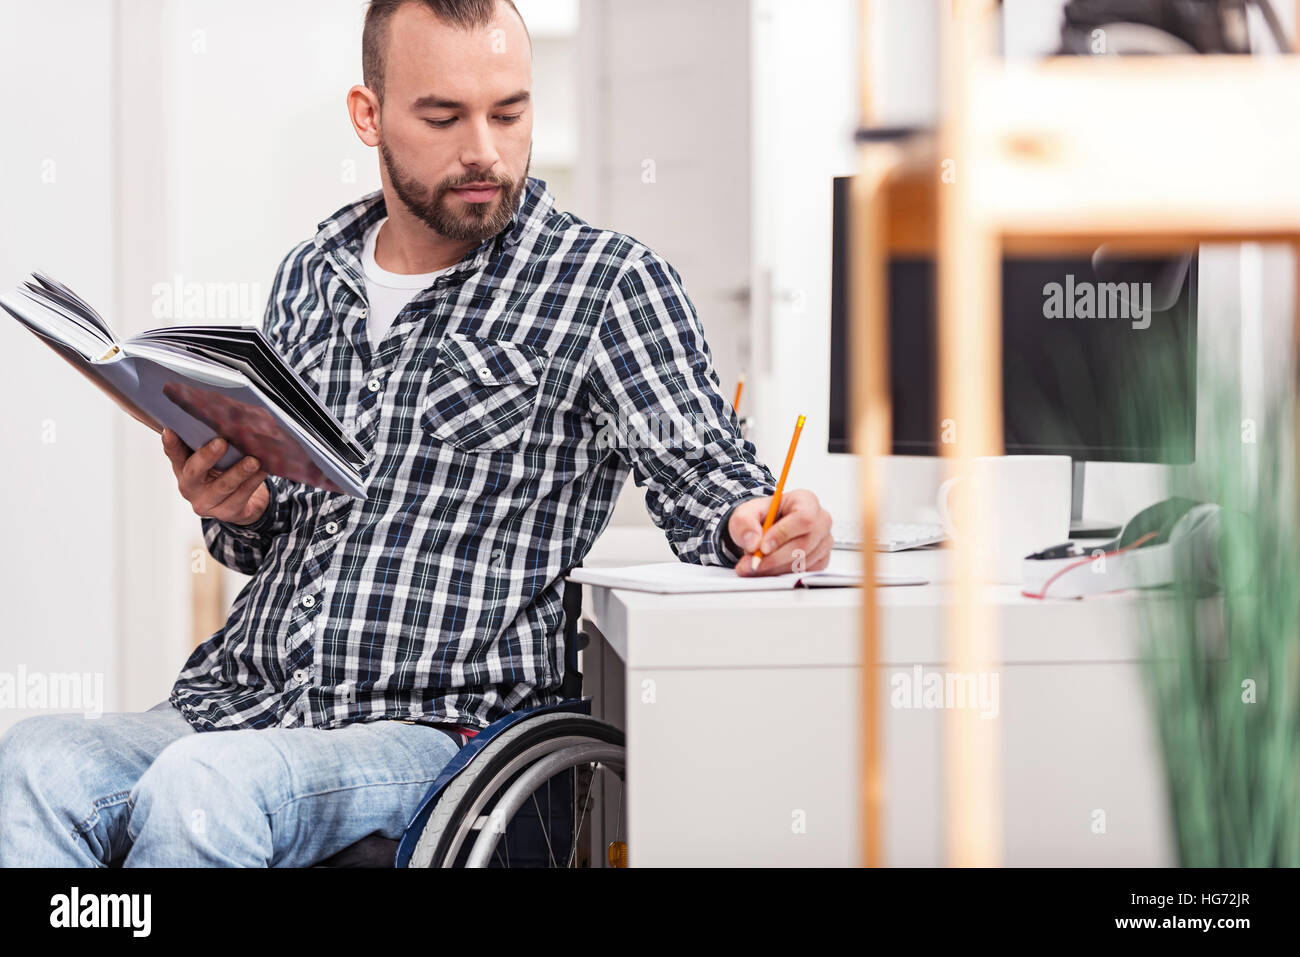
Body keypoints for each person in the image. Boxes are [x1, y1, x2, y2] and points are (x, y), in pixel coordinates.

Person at [0, 0, 833, 867]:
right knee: (35, 757)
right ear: (370, 115)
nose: (485, 149)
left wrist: (757, 522)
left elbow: (711, 476)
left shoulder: (605, 285)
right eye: (444, 116)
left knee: (205, 785)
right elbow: (269, 538)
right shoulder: (311, 275)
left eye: (509, 112)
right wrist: (234, 510)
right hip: (248, 701)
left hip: (435, 730)